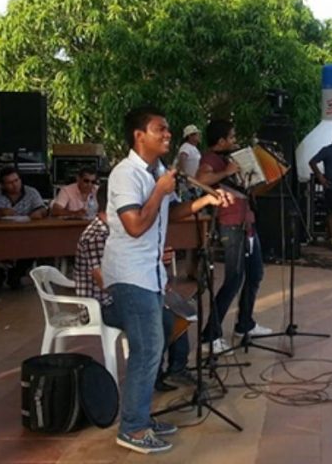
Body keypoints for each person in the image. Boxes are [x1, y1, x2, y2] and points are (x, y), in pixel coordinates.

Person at [102, 105, 230, 454]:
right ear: (139, 135)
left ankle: (140, 416)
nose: (168, 135)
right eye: (161, 129)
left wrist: (205, 199)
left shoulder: (158, 170)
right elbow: (135, 225)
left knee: (160, 339)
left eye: (169, 129)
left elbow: (169, 213)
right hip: (130, 276)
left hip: (150, 275)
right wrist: (159, 189)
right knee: (147, 351)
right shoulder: (126, 174)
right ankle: (132, 429)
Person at [73, 181, 189, 392]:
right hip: (102, 305)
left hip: (124, 296)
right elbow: (106, 283)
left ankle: (175, 369)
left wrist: (153, 261)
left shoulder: (117, 231)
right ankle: (152, 375)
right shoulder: (96, 236)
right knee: (160, 318)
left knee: (179, 309)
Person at [198, 119, 273, 354]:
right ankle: (210, 336)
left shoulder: (230, 158)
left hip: (247, 222)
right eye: (231, 137)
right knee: (234, 279)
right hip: (231, 224)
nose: (234, 140)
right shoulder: (210, 159)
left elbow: (248, 189)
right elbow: (200, 181)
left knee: (255, 274)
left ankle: (245, 324)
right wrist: (226, 172)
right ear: (220, 141)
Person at [0, 166, 48, 288]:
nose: (14, 185)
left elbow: (43, 209)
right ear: (2, 185)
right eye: (9, 183)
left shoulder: (31, 192)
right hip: (0, 235)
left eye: (16, 180)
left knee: (35, 246)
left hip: (25, 235)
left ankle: (16, 275)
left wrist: (39, 213)